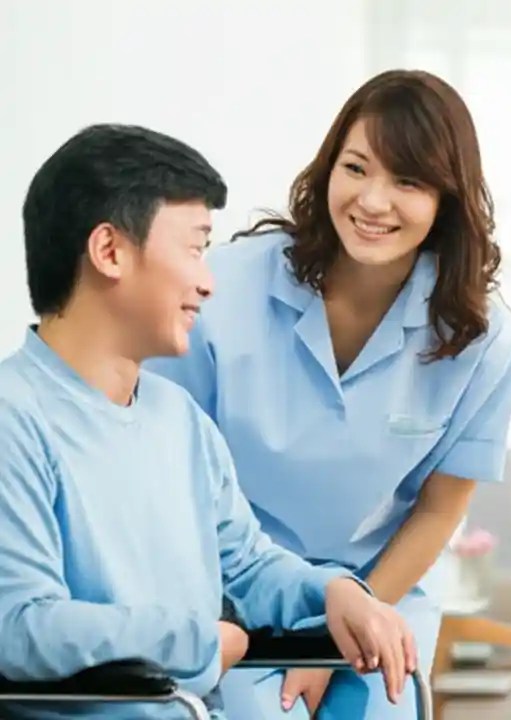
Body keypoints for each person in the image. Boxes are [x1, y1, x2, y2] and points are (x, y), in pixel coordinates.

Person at [0, 124, 415, 720]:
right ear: (110, 251)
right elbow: (20, 627)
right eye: (194, 248)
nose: (207, 281)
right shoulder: (15, 419)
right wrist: (193, 642)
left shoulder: (178, 419)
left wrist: (334, 592)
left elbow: (244, 563)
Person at [145, 70, 511, 718]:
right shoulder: (223, 289)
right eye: (356, 168)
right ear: (327, 170)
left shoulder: (481, 339)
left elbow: (436, 512)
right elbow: (164, 471)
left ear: (447, 200)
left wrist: (335, 637)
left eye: (408, 181)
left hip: (381, 595)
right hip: (232, 588)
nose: (374, 201)